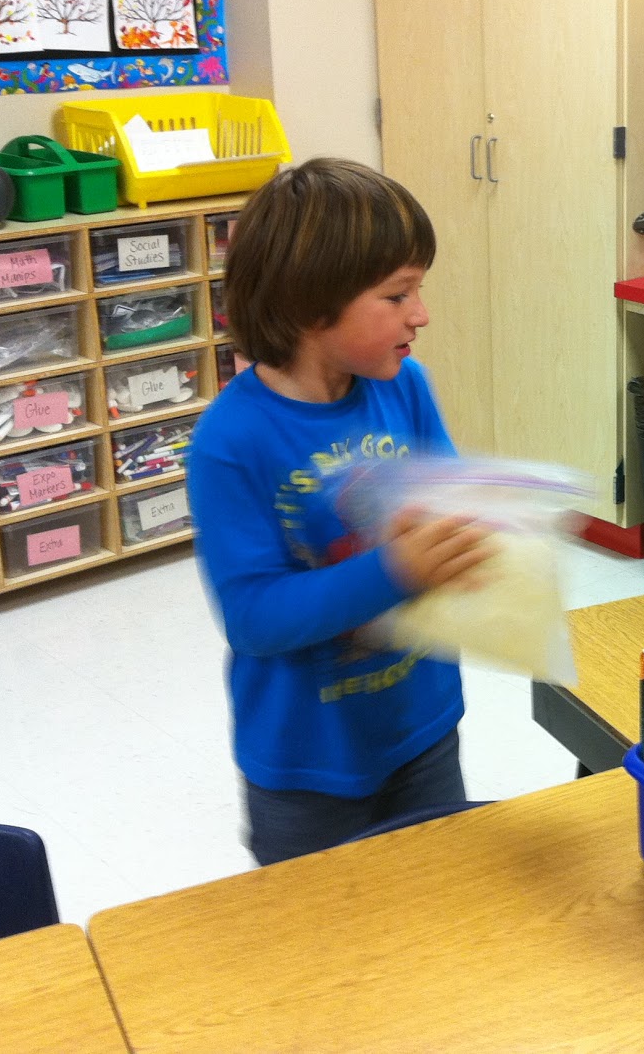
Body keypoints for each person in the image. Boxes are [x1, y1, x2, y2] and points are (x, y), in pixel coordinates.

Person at [187, 158, 492, 865]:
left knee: (436, 923)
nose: (421, 313)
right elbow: (254, 618)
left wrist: (480, 533)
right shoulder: (231, 442)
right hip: (305, 770)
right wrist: (400, 567)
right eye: (398, 294)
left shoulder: (404, 384)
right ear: (309, 305)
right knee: (324, 959)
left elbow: (449, 499)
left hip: (422, 728)